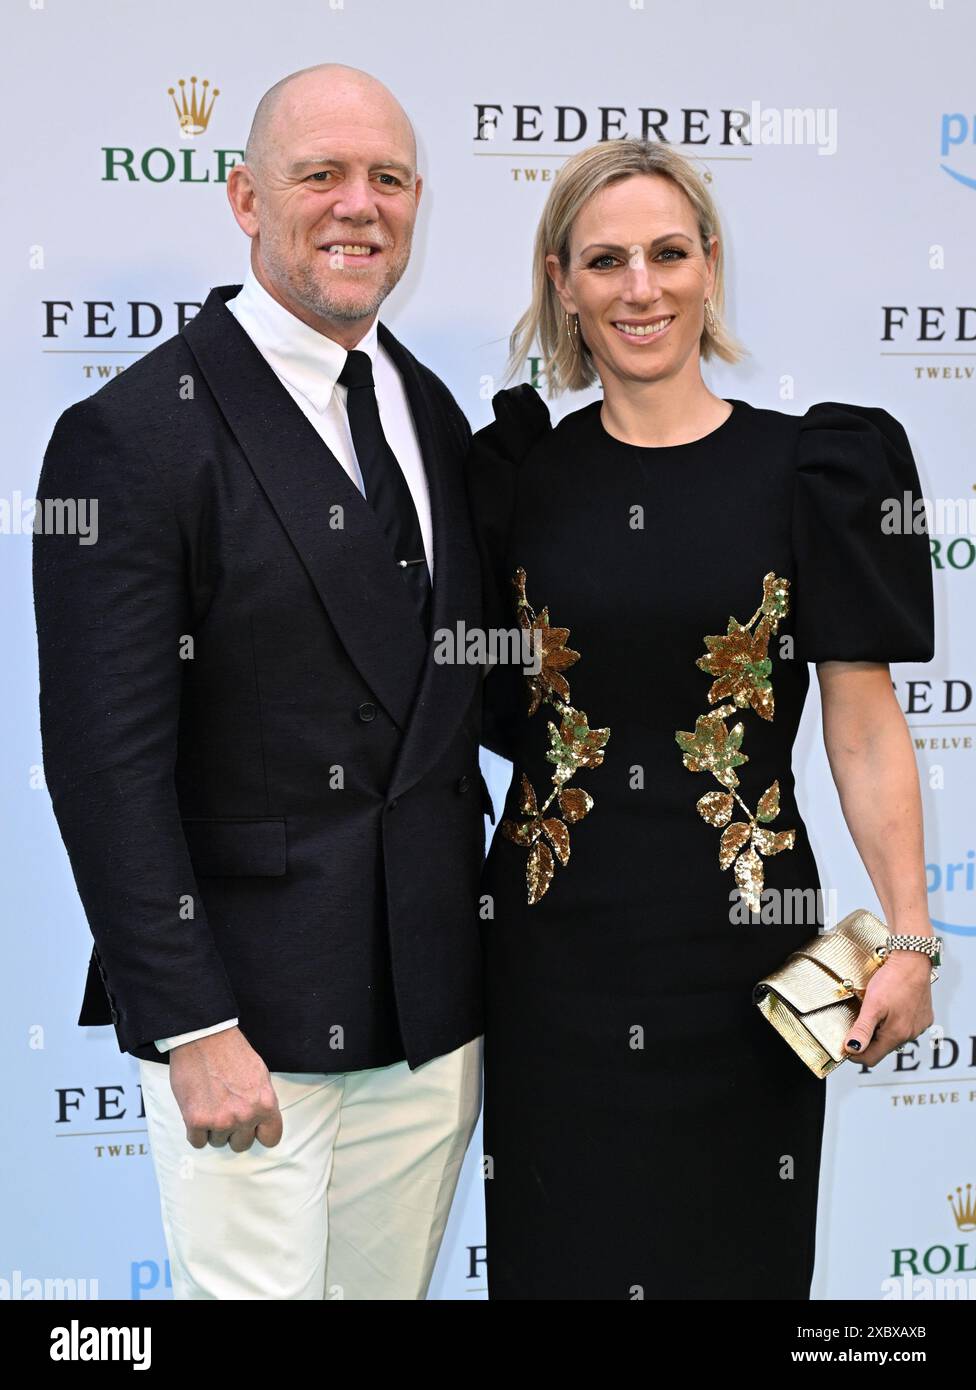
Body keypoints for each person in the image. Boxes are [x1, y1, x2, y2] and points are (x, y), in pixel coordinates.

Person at [32, 63, 488, 1301]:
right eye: (320, 175)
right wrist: (190, 1026)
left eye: (387, 179)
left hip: (430, 1012)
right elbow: (102, 761)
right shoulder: (132, 435)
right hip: (248, 1027)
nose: (359, 205)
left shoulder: (430, 410)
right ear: (243, 198)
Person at [464, 138, 939, 1300]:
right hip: (549, 969)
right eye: (608, 259)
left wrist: (915, 936)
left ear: (711, 266)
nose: (642, 288)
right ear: (561, 281)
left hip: (751, 967)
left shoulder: (816, 467)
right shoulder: (509, 480)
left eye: (669, 253)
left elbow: (864, 723)